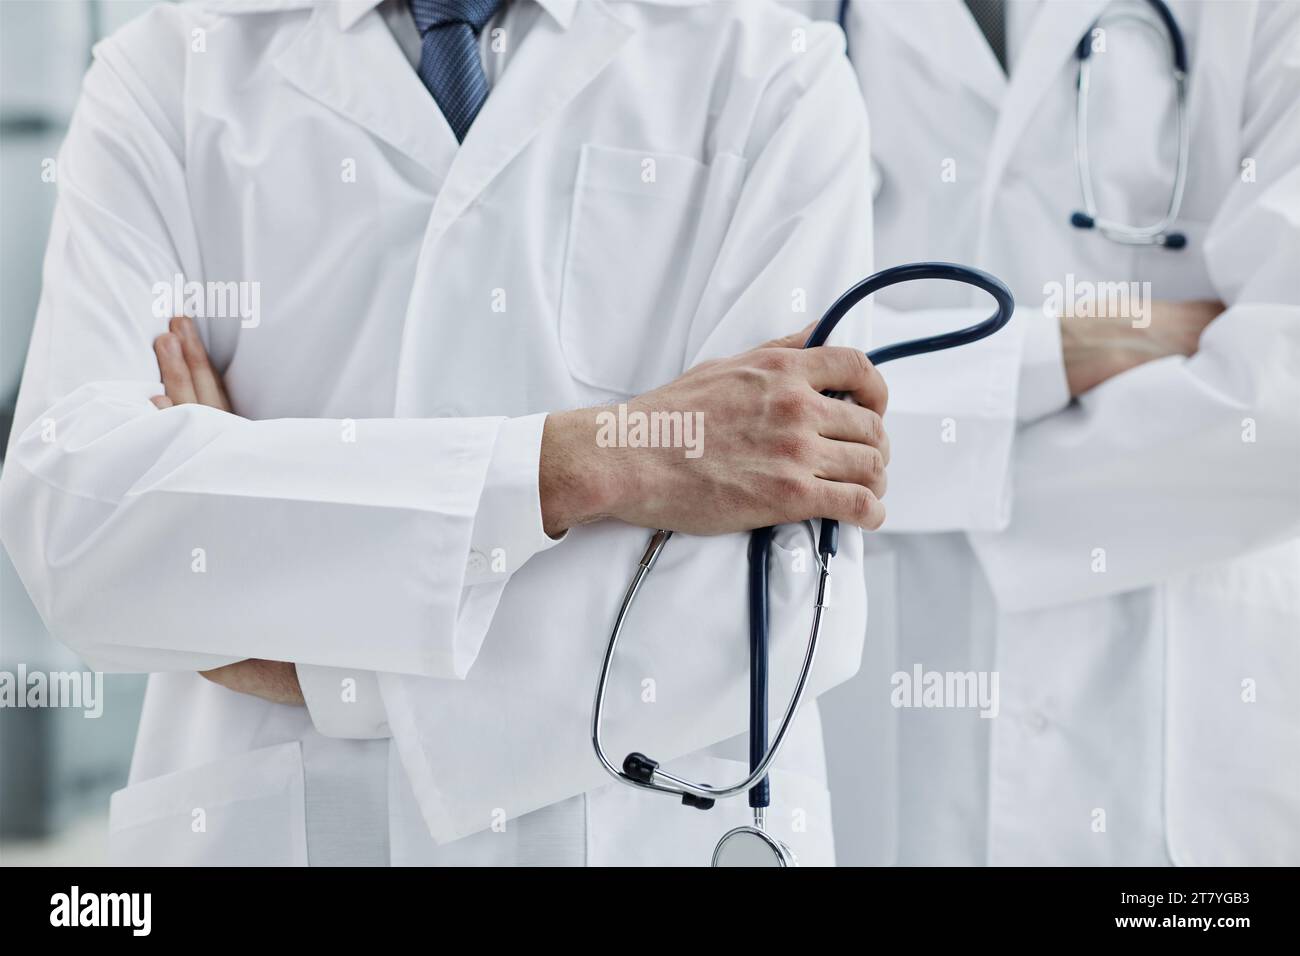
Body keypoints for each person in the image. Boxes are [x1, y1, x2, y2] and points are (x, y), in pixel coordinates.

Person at [0, 0, 892, 866]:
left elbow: (773, 597)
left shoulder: (777, 76)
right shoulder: (164, 73)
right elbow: (79, 526)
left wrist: (314, 653)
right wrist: (592, 459)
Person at [802, 0, 1300, 864]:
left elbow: (1281, 400)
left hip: (1183, 735)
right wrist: (1064, 349)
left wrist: (902, 442)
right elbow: (730, 380)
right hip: (887, 723)